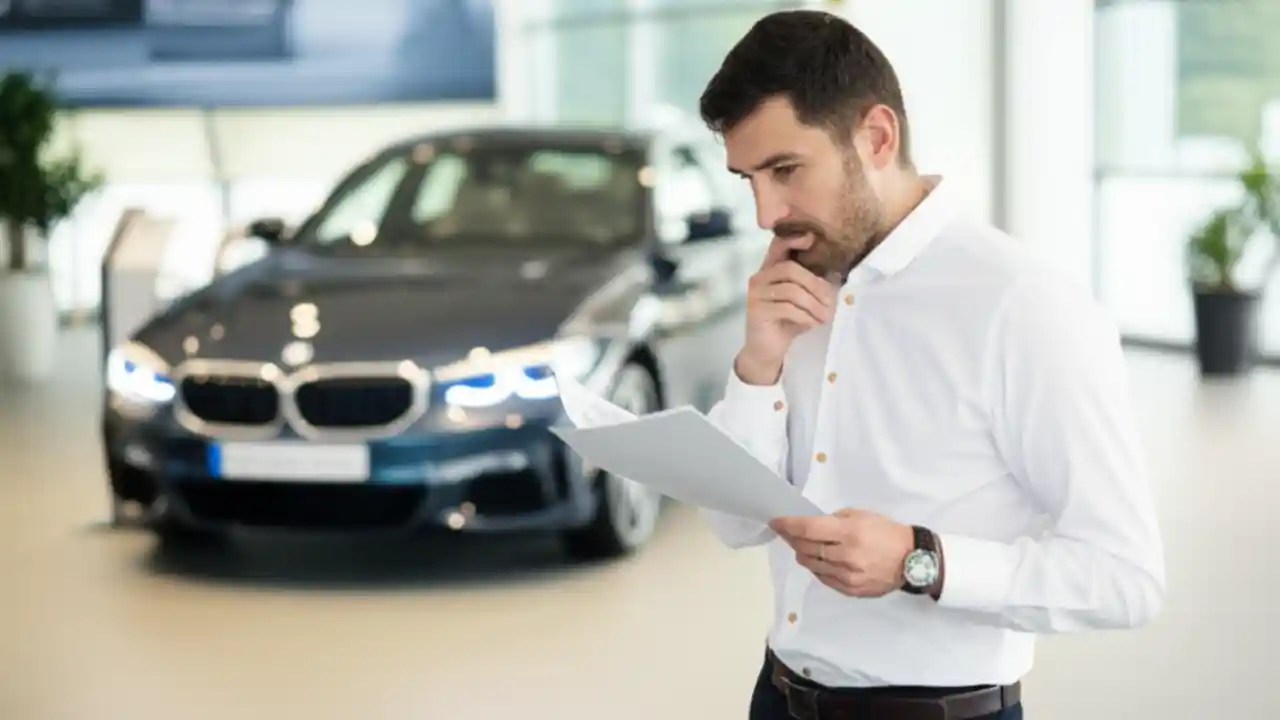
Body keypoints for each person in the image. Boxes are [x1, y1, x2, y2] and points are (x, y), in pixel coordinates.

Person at [697, 10, 1166, 720]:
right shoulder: (796, 286)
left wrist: (923, 562)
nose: (766, 213)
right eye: (747, 179)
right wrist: (758, 363)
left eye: (786, 170)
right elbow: (737, 528)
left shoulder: (1024, 305)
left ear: (877, 137)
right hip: (778, 697)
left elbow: (1125, 578)